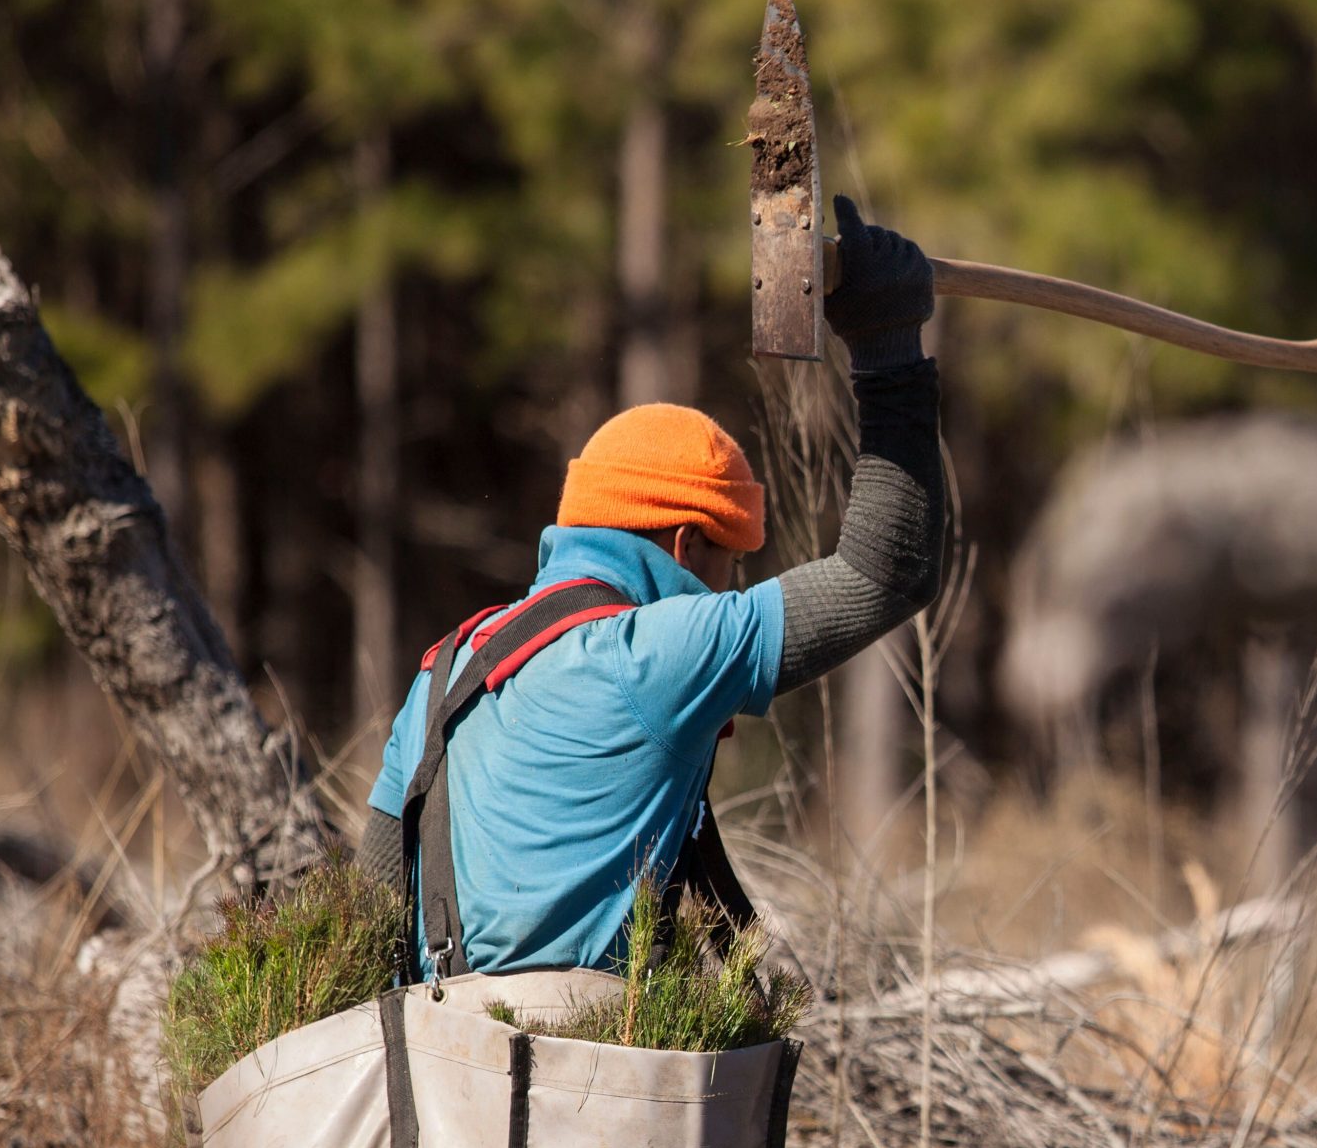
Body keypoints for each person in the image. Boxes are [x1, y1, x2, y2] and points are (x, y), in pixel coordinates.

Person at [360, 197, 940, 973]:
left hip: (442, 1078)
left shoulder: (448, 666)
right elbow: (885, 571)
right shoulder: (653, 653)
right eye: (733, 563)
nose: (733, 587)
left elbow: (370, 912)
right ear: (686, 542)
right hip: (596, 1081)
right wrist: (889, 350)